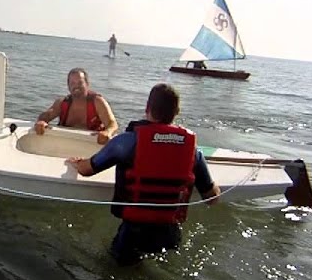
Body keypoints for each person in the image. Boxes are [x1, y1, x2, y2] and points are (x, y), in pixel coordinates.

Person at [68, 83, 223, 266]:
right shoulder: (193, 151)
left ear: (147, 108)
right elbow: (212, 197)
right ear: (177, 112)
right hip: (170, 235)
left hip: (134, 234)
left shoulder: (126, 142)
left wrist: (78, 163)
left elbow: (87, 170)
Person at [33, 67, 119, 143]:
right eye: (72, 83)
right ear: (68, 86)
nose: (76, 86)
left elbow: (112, 124)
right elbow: (46, 115)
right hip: (65, 143)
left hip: (91, 145)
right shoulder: (62, 103)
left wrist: (108, 132)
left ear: (87, 84)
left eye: (80, 83)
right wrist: (41, 122)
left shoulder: (97, 102)